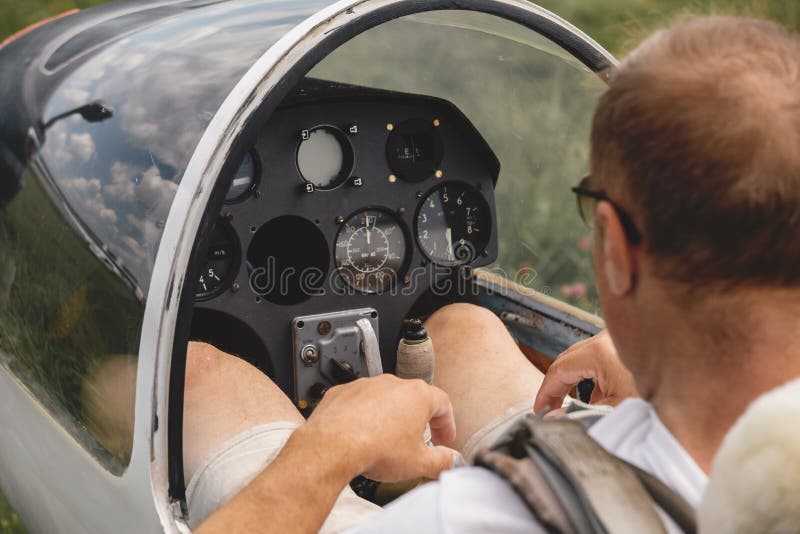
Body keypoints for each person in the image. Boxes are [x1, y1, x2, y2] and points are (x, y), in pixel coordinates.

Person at [191, 15, 800, 533]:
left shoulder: (466, 520)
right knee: (464, 325)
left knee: (201, 374)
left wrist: (328, 449)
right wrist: (660, 368)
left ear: (616, 248)